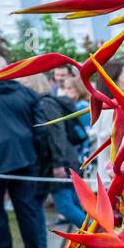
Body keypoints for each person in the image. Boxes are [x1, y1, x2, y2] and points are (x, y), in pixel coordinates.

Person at [0, 53, 45, 248]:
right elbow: (40, 130)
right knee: (26, 210)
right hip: (23, 160)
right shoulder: (27, 94)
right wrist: (36, 156)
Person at [21, 72, 86, 229]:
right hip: (64, 160)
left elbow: (57, 133)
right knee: (75, 203)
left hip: (60, 163)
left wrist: (58, 164)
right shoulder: (44, 103)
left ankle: (98, 236)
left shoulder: (45, 104)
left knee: (65, 206)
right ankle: (96, 235)